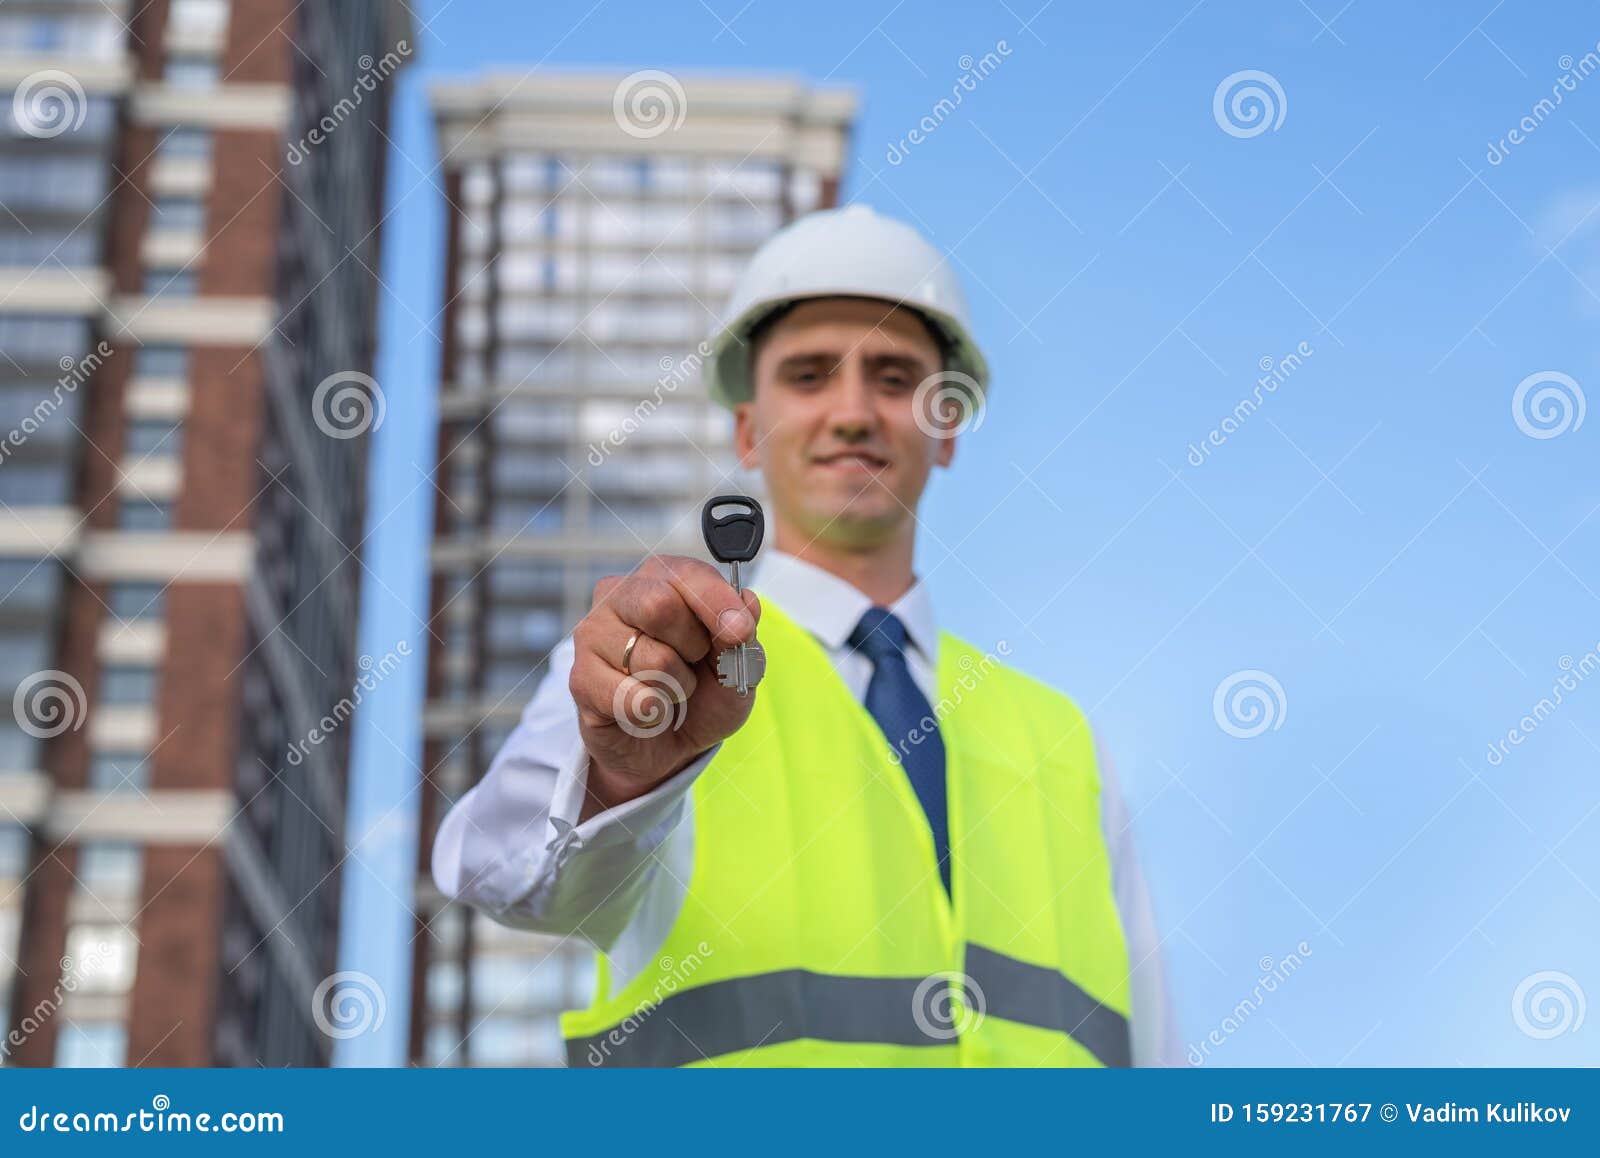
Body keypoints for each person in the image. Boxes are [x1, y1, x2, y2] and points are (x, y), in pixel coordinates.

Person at [432, 204, 1179, 1067]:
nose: (855, 412)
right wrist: (618, 775)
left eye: (896, 378)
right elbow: (501, 875)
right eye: (812, 375)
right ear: (748, 430)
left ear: (947, 429)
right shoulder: (655, 669)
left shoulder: (1065, 746)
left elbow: (1157, 1059)